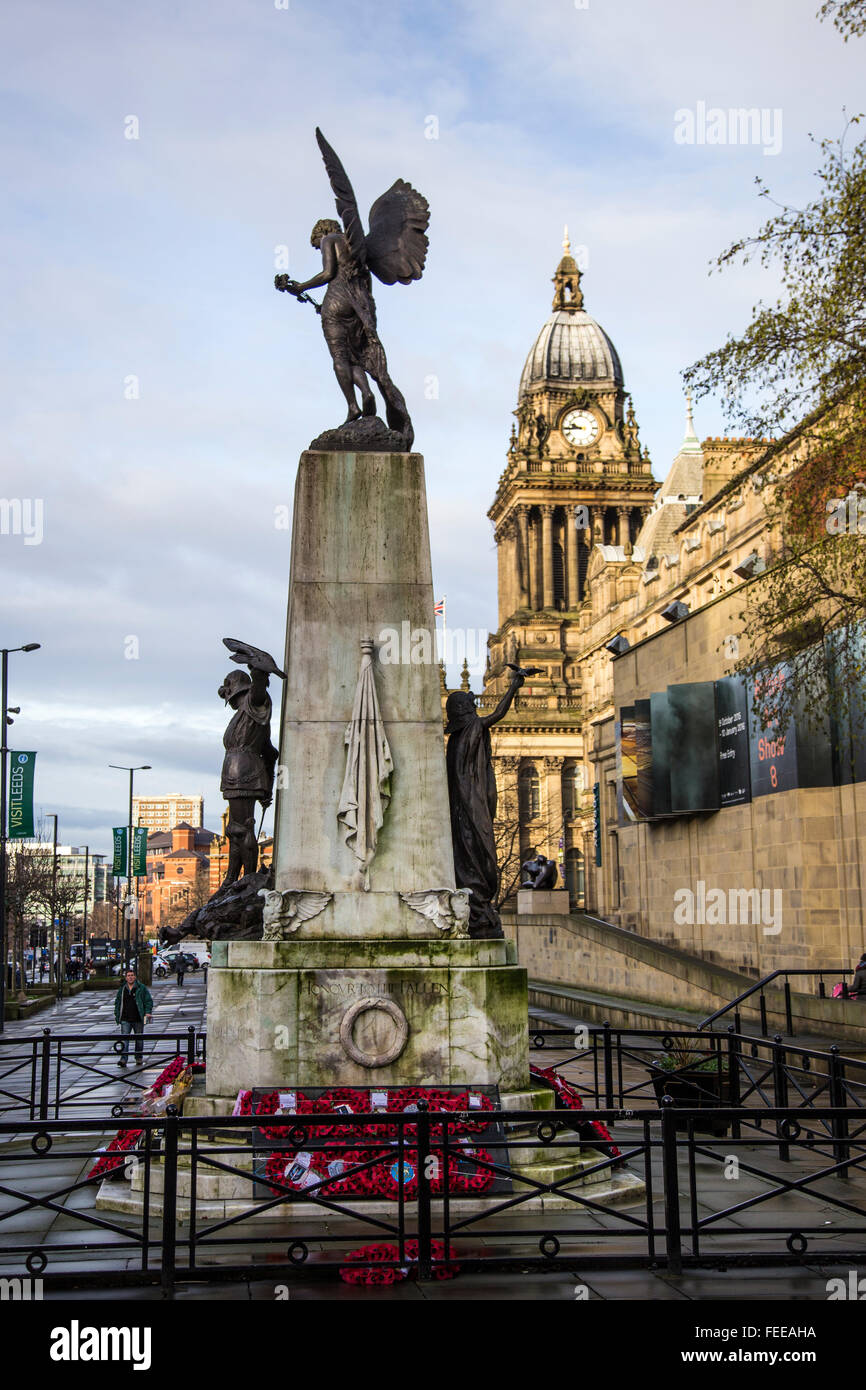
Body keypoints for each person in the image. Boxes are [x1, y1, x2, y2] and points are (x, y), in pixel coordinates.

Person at [113, 970, 153, 1068]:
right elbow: (117, 1002)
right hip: (125, 1018)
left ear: (135, 977)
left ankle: (138, 1058)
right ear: (126, 978)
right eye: (128, 975)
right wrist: (117, 1014)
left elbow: (148, 1001)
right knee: (124, 1039)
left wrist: (148, 1012)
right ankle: (123, 1059)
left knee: (139, 1039)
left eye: (132, 975)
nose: (130, 977)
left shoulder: (141, 988)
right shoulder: (122, 989)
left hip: (138, 1018)